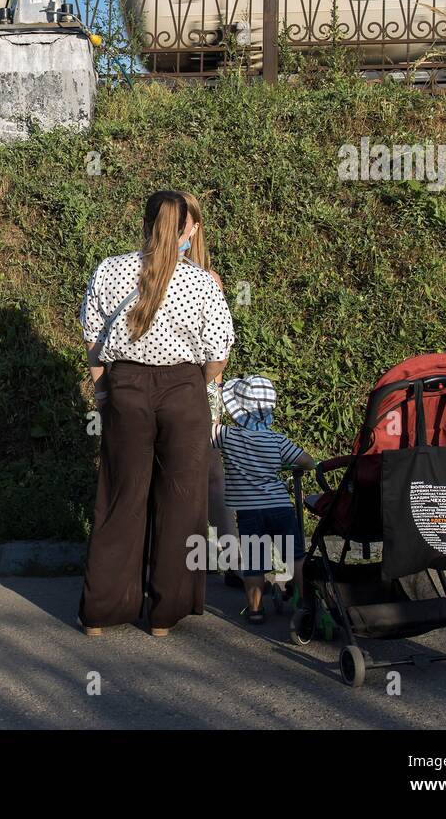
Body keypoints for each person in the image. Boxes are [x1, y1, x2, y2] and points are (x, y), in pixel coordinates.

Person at [79, 190, 235, 636]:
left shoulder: (110, 269)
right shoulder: (203, 282)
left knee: (120, 498)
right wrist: (196, 388)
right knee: (182, 503)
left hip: (126, 386)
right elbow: (218, 353)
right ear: (188, 229)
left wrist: (105, 391)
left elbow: (93, 337)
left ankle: (101, 613)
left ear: (146, 222)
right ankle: (165, 615)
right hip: (184, 392)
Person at [213, 375, 315, 624]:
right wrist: (286, 464)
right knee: (296, 556)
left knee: (255, 565)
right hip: (280, 507)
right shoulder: (277, 440)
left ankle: (256, 610)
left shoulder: (227, 436)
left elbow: (207, 429)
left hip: (249, 512)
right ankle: (305, 602)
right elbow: (308, 461)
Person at [179, 192, 239, 582]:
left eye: (182, 224)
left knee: (213, 475)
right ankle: (186, 559)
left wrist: (209, 387)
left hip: (202, 385)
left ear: (194, 228)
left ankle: (233, 560)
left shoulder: (207, 278)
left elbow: (221, 345)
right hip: (181, 383)